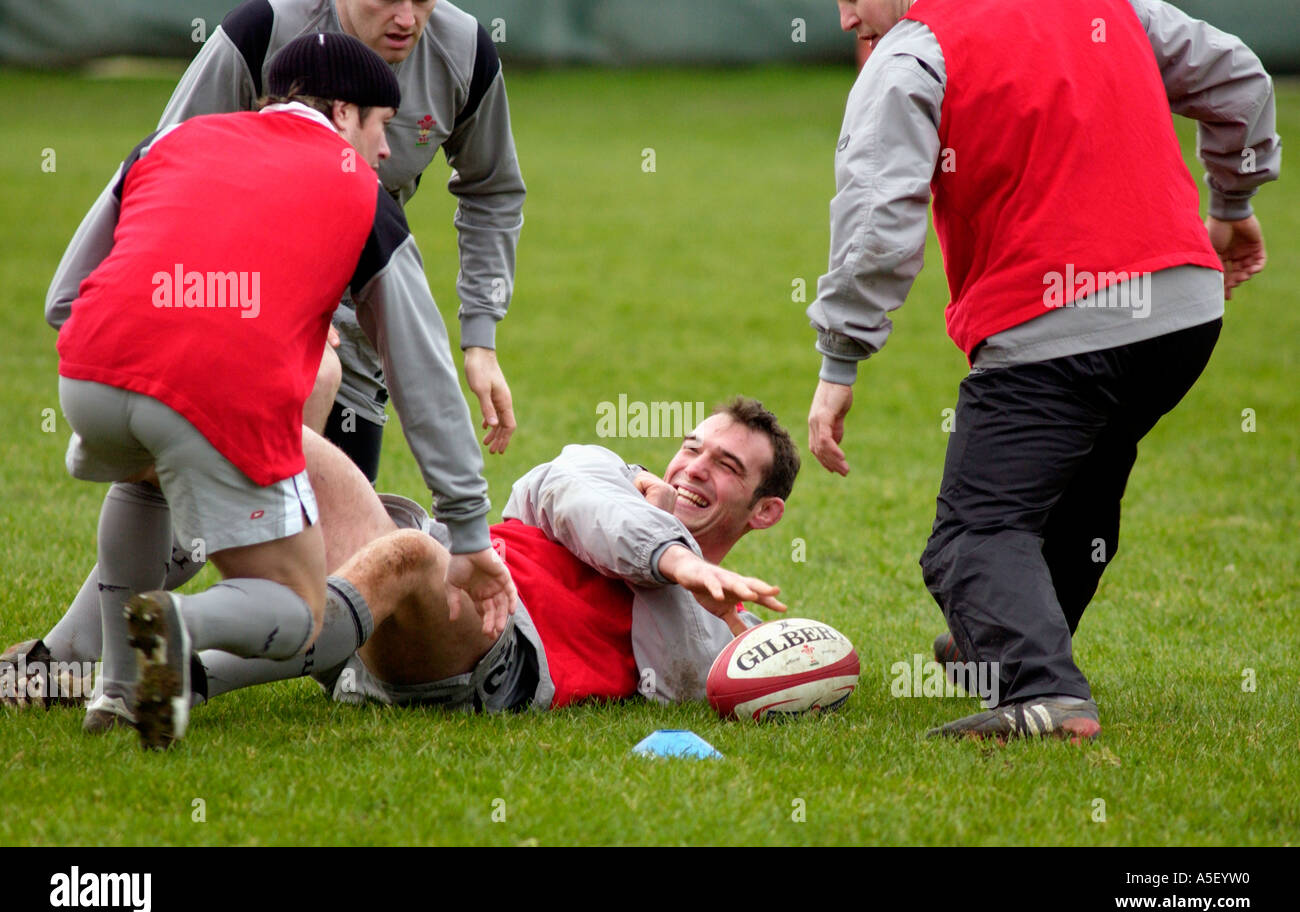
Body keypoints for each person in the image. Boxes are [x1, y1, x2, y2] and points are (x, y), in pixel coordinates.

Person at [805, 0, 1278, 740]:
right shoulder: (1112, 7)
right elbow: (1239, 76)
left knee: (974, 535)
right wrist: (1233, 202)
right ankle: (991, 642)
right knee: (1078, 499)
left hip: (1057, 325)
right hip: (1185, 316)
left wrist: (842, 356)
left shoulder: (914, 50)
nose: (843, 20)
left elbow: (875, 214)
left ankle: (1044, 690)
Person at [25, 0, 527, 680]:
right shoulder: (262, 36)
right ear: (346, 113)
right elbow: (425, 379)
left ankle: (117, 679)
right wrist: (467, 527)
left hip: (104, 369)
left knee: (176, 478)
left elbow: (70, 292)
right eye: (381, 126)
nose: (387, 151)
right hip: (232, 352)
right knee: (304, 600)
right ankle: (112, 654)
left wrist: (482, 333)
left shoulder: (464, 51)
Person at [11, 400, 796, 716]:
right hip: (436, 577)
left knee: (413, 558)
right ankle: (65, 662)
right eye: (694, 446)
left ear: (766, 513)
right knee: (254, 439)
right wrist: (677, 559)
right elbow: (568, 495)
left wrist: (706, 593)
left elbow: (699, 681)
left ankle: (177, 649)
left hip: (495, 658)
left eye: (727, 467)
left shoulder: (725, 632)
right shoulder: (602, 476)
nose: (696, 466)